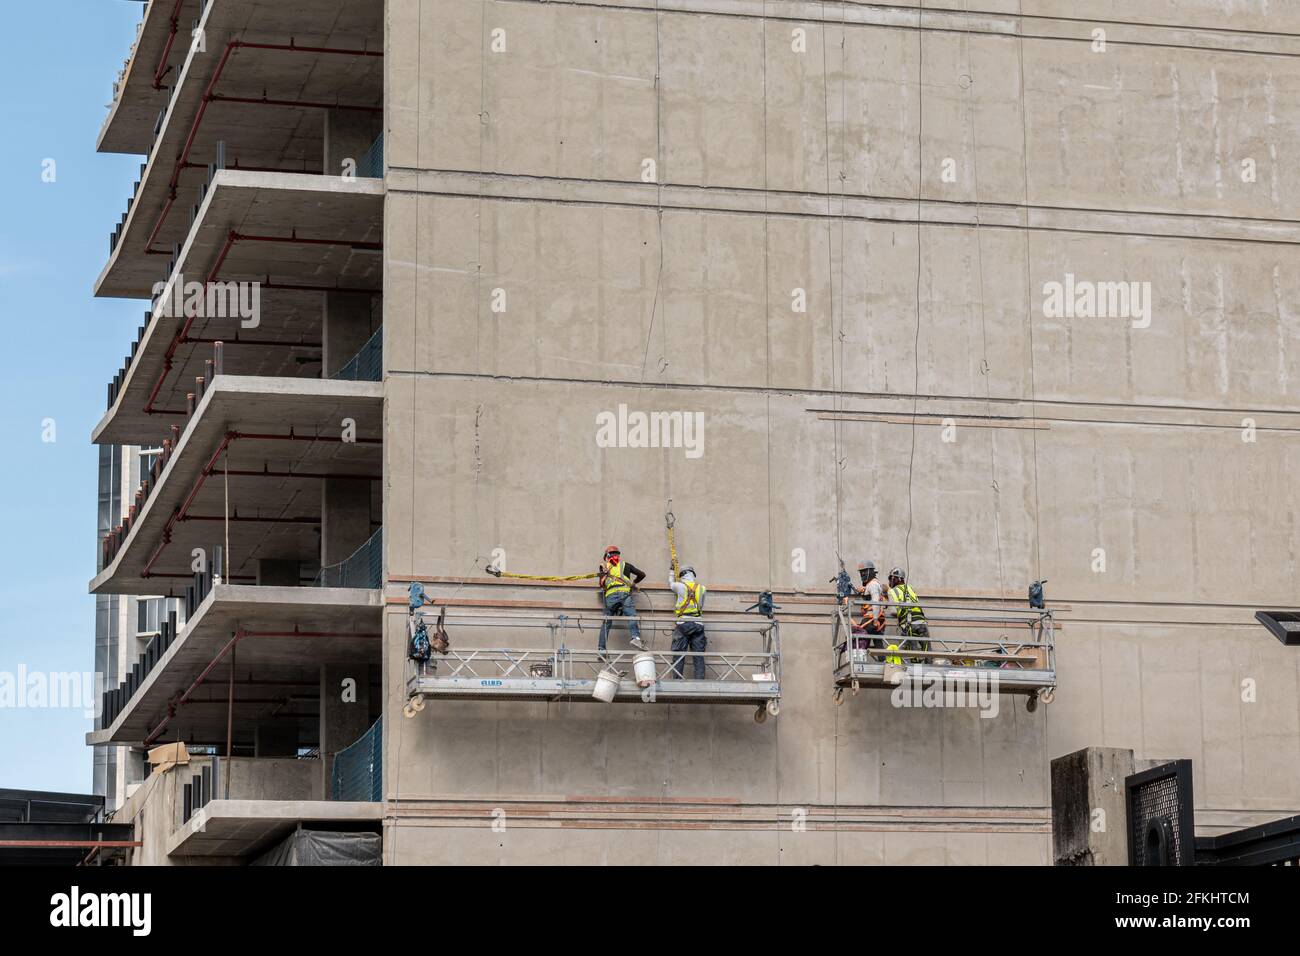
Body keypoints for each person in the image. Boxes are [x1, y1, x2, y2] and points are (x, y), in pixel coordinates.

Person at [597, 545, 646, 655]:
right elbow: (642, 574)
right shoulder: (625, 565)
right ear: (618, 554)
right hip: (625, 595)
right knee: (631, 616)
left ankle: (601, 649)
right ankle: (636, 638)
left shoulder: (604, 566)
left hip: (610, 597)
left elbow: (601, 583)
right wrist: (634, 583)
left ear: (607, 555)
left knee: (606, 622)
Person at [668, 564, 707, 679]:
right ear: (693, 575)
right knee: (698, 656)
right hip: (698, 623)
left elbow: (670, 584)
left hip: (683, 623)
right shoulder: (702, 588)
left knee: (679, 655)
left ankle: (676, 681)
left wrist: (671, 571)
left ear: (682, 575)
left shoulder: (679, 586)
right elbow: (701, 605)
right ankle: (700, 682)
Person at [887, 567, 929, 657]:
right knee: (927, 649)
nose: (890, 581)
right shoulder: (910, 588)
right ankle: (929, 666)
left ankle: (914, 669)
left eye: (891, 578)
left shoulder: (892, 591)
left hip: (908, 624)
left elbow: (893, 611)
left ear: (896, 578)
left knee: (912, 652)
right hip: (922, 622)